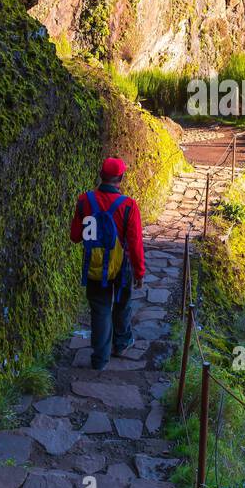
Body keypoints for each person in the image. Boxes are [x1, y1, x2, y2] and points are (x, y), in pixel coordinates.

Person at [69, 157, 145, 371]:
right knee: (122, 303)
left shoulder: (85, 201)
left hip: (94, 266)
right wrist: (139, 272)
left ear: (101, 175)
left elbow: (75, 236)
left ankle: (100, 359)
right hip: (122, 267)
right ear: (120, 178)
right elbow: (135, 243)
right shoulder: (129, 206)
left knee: (100, 309)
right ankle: (121, 344)